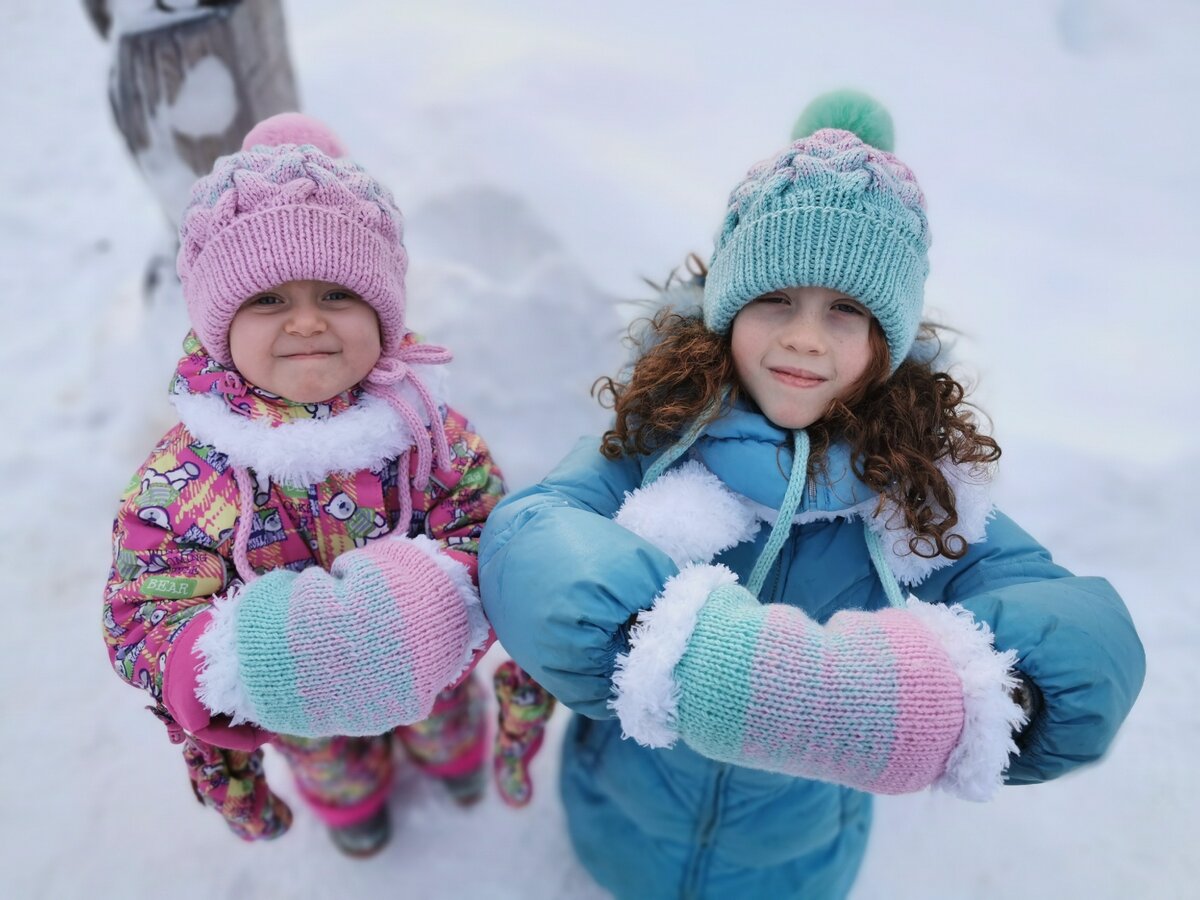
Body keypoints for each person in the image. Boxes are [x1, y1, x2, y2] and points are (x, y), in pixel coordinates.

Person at [478, 91, 1145, 898]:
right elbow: (532, 536)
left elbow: (1080, 633)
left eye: (845, 311)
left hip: (794, 862)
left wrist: (978, 695)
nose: (804, 337)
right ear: (727, 311)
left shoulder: (912, 496)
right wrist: (659, 639)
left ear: (885, 342)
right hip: (621, 822)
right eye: (775, 299)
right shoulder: (662, 441)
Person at [101, 113, 550, 856]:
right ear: (217, 323)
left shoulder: (424, 432)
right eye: (268, 300)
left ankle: (458, 766)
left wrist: (444, 598)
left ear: (383, 311)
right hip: (302, 710)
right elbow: (142, 609)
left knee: (449, 725)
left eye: (337, 295)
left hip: (433, 672)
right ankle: (357, 814)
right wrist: (234, 664)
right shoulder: (191, 473)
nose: (306, 322)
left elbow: (485, 524)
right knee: (336, 770)